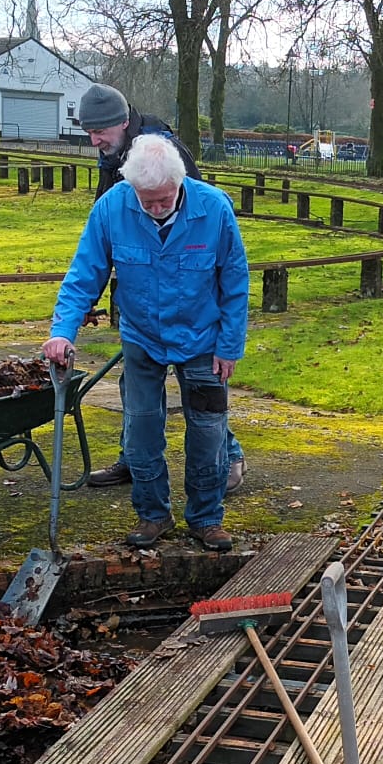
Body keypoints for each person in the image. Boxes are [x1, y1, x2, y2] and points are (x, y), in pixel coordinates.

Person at [45, 135, 249, 551]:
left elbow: (235, 281)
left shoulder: (214, 210)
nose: (156, 208)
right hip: (142, 337)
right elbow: (85, 273)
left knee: (209, 432)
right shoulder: (112, 208)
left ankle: (207, 518)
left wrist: (229, 345)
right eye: (147, 201)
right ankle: (153, 515)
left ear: (180, 183)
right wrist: (63, 330)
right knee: (140, 430)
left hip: (203, 340)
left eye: (164, 199)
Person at [75, 82, 246, 493]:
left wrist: (225, 336)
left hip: (189, 300)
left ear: (122, 122)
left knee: (203, 399)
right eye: (89, 134)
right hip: (140, 299)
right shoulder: (113, 157)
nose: (95, 140)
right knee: (138, 402)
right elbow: (106, 227)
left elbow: (191, 212)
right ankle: (134, 460)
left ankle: (230, 456)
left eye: (100, 132)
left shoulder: (164, 150)